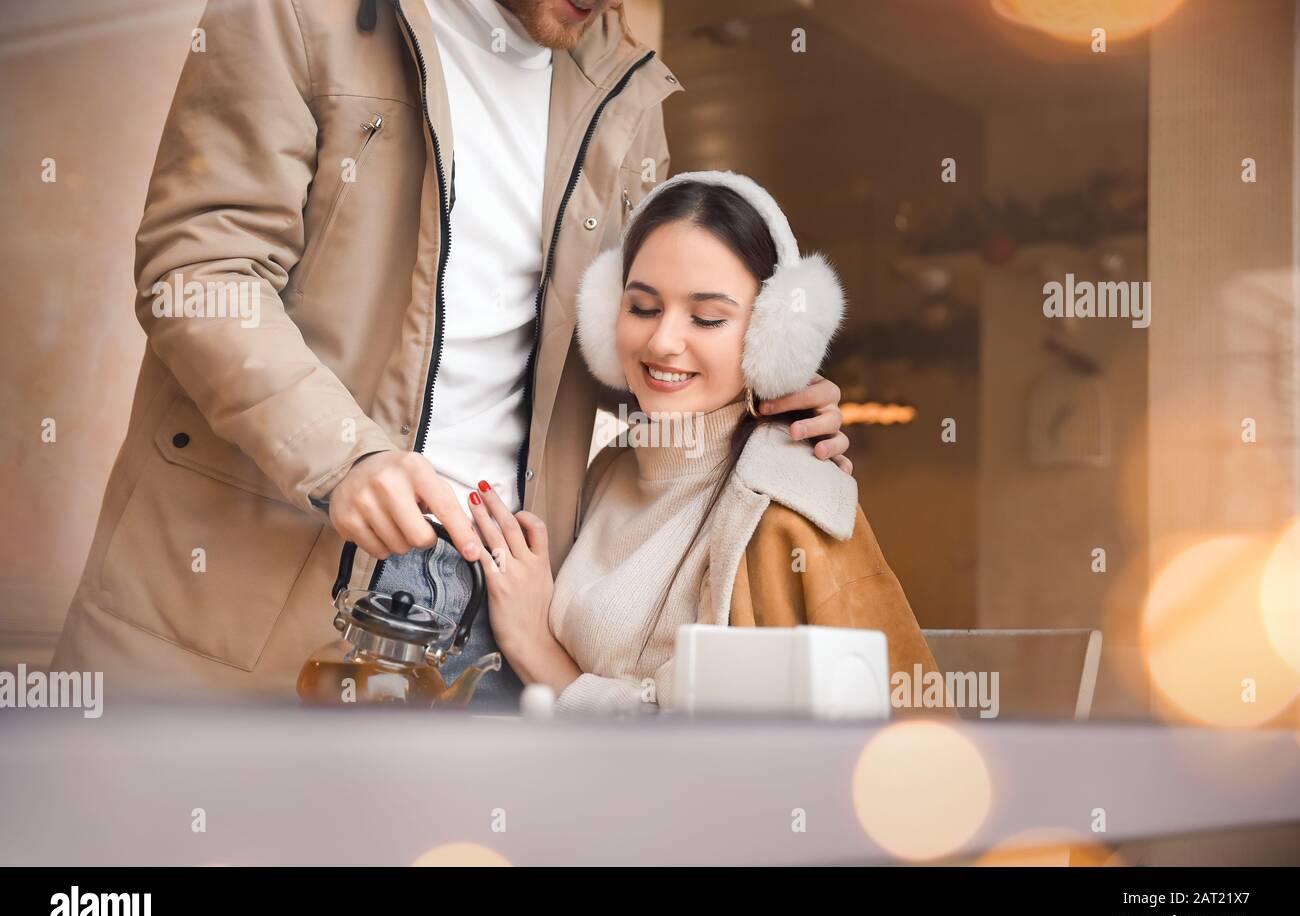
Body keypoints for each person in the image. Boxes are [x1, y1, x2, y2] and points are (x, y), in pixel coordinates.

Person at [52, 1, 852, 707]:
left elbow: (635, 332)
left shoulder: (626, 82)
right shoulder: (293, 11)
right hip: (264, 585)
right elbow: (199, 275)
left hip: (509, 608)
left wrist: (765, 402)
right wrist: (344, 457)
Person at [461, 171, 945, 714]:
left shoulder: (783, 505)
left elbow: (721, 743)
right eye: (642, 307)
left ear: (772, 334)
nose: (663, 341)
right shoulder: (611, 470)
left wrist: (536, 651)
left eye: (709, 318)